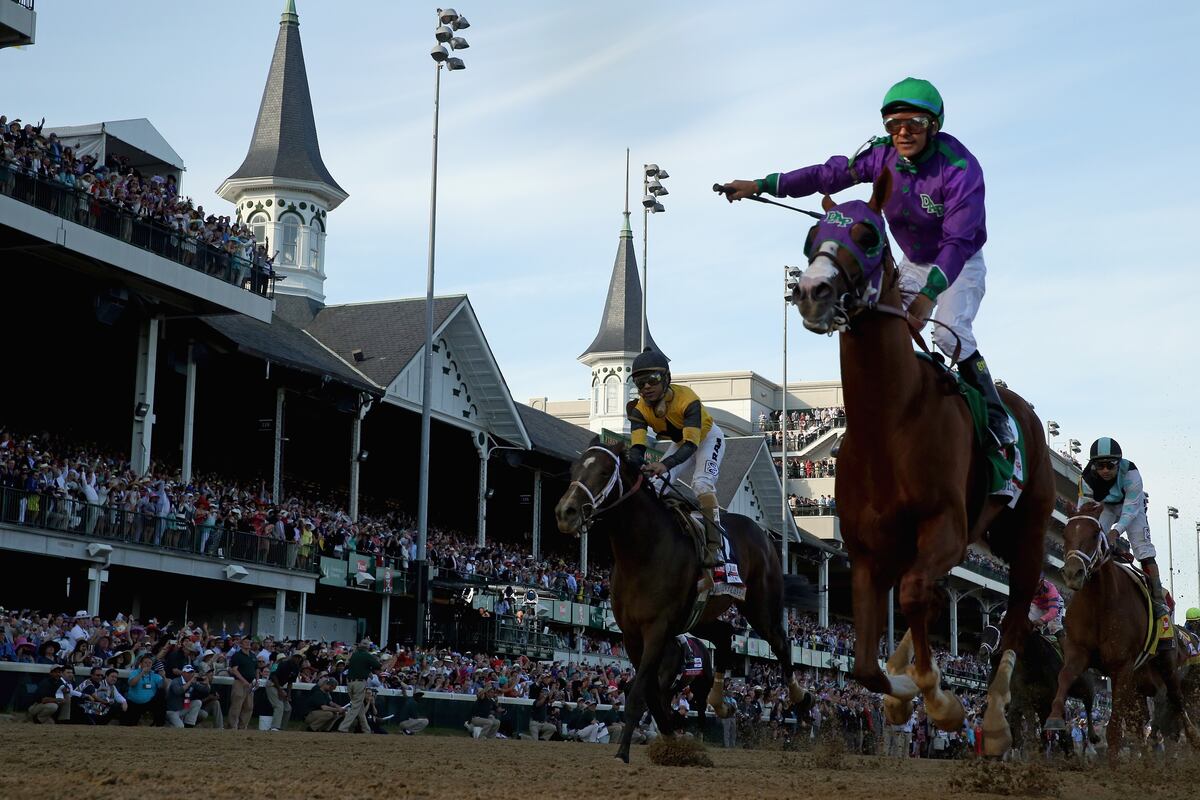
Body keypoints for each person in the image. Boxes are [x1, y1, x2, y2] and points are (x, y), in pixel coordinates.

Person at [722, 77, 1014, 452]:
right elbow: (825, 176)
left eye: (915, 124)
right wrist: (762, 184)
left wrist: (927, 297)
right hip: (914, 259)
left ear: (934, 127)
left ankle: (995, 415)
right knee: (874, 318)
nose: (903, 132)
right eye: (894, 125)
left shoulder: (960, 168)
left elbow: (956, 243)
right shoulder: (881, 155)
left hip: (957, 263)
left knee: (946, 333)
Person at [626, 347, 727, 577]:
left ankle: (715, 547)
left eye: (652, 380)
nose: (646, 387)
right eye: (640, 383)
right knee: (654, 486)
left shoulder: (687, 399)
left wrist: (664, 464)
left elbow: (692, 446)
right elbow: (637, 449)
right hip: (682, 441)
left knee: (701, 485)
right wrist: (634, 466)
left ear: (666, 378)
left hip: (708, 438)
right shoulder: (639, 410)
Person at [1078, 437, 1171, 635]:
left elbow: (1130, 511)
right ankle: (1086, 587)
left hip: (1132, 506)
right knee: (1091, 539)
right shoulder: (1085, 479)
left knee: (1142, 547)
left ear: (1118, 463)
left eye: (1110, 465)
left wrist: (1114, 532)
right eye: (1099, 465)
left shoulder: (1131, 473)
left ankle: (1157, 598)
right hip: (1105, 506)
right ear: (1092, 465)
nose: (1104, 470)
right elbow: (1084, 511)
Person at [338, 639, 381, 733]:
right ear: (368, 647)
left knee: (359, 706)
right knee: (355, 706)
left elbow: (351, 664)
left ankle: (366, 729)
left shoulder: (354, 654)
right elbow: (378, 665)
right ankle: (343, 727)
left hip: (349, 683)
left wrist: (367, 669)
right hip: (359, 683)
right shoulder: (367, 655)